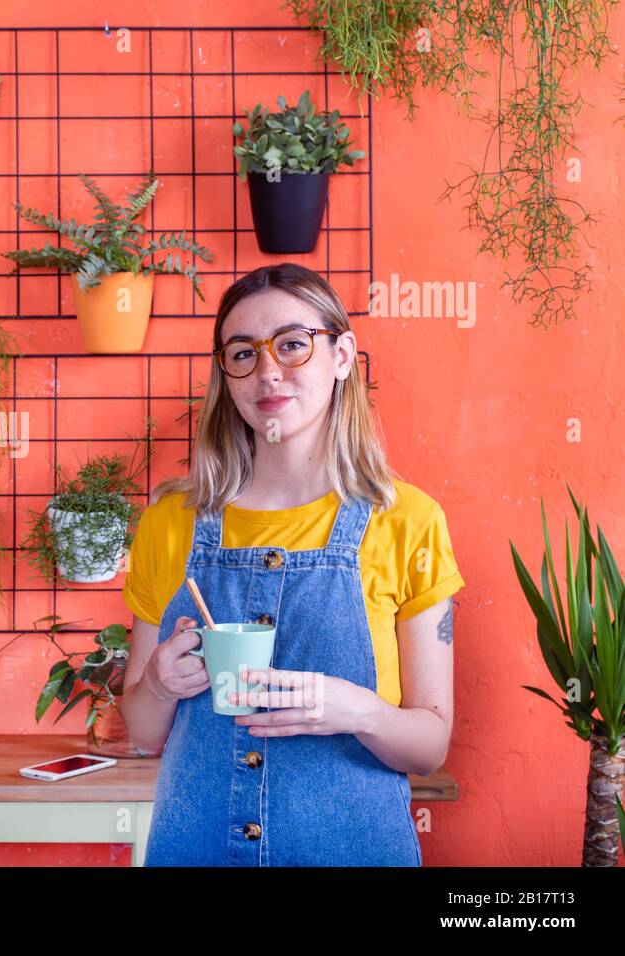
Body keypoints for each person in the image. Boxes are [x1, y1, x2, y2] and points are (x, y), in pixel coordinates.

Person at [120, 263, 463, 866]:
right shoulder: (170, 521)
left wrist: (352, 708)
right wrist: (157, 683)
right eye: (243, 353)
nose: (268, 371)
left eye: (293, 345)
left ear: (341, 355)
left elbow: (429, 746)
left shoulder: (408, 520)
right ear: (224, 374)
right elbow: (144, 732)